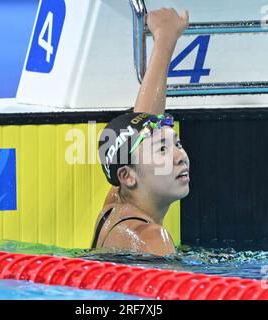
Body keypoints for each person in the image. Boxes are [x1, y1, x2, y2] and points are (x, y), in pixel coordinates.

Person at [91, 8, 190, 256]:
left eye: (177, 144)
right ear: (128, 177)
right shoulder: (153, 239)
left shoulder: (115, 206)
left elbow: (144, 121)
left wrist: (165, 38)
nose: (180, 156)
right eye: (163, 150)